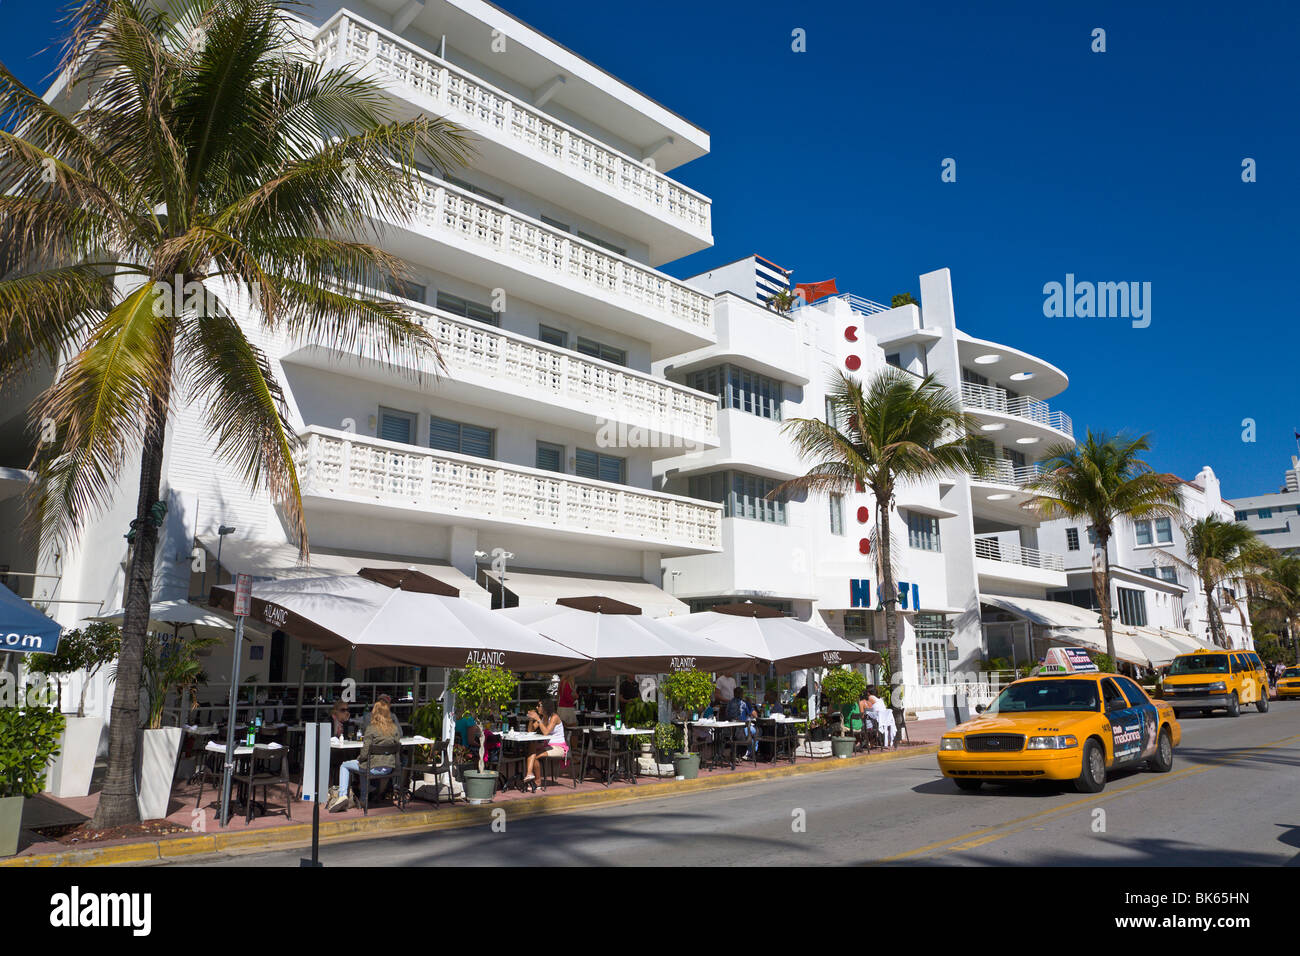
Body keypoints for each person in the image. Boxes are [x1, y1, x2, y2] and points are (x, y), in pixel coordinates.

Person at [328, 699, 402, 812]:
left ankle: (342, 796)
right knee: (363, 766)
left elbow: (364, 753)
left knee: (345, 765)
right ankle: (363, 799)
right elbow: (397, 744)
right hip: (389, 769)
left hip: (372, 768)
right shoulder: (394, 729)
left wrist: (359, 759)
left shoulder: (371, 729)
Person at [523, 698, 566, 789]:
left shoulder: (554, 717)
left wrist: (538, 719)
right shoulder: (543, 718)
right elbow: (530, 730)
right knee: (531, 747)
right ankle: (529, 774)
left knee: (535, 755)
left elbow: (546, 732)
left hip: (559, 747)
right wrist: (531, 720)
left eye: (539, 706)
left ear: (545, 707)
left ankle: (537, 781)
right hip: (548, 746)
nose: (537, 707)